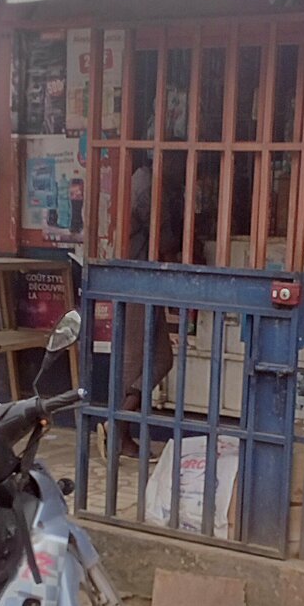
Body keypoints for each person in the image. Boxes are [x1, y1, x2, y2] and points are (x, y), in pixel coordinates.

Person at [111, 158, 181, 458]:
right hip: (135, 281)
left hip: (138, 280)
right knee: (134, 363)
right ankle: (118, 433)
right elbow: (162, 237)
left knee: (161, 358)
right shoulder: (147, 185)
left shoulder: (136, 180)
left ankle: (118, 426)